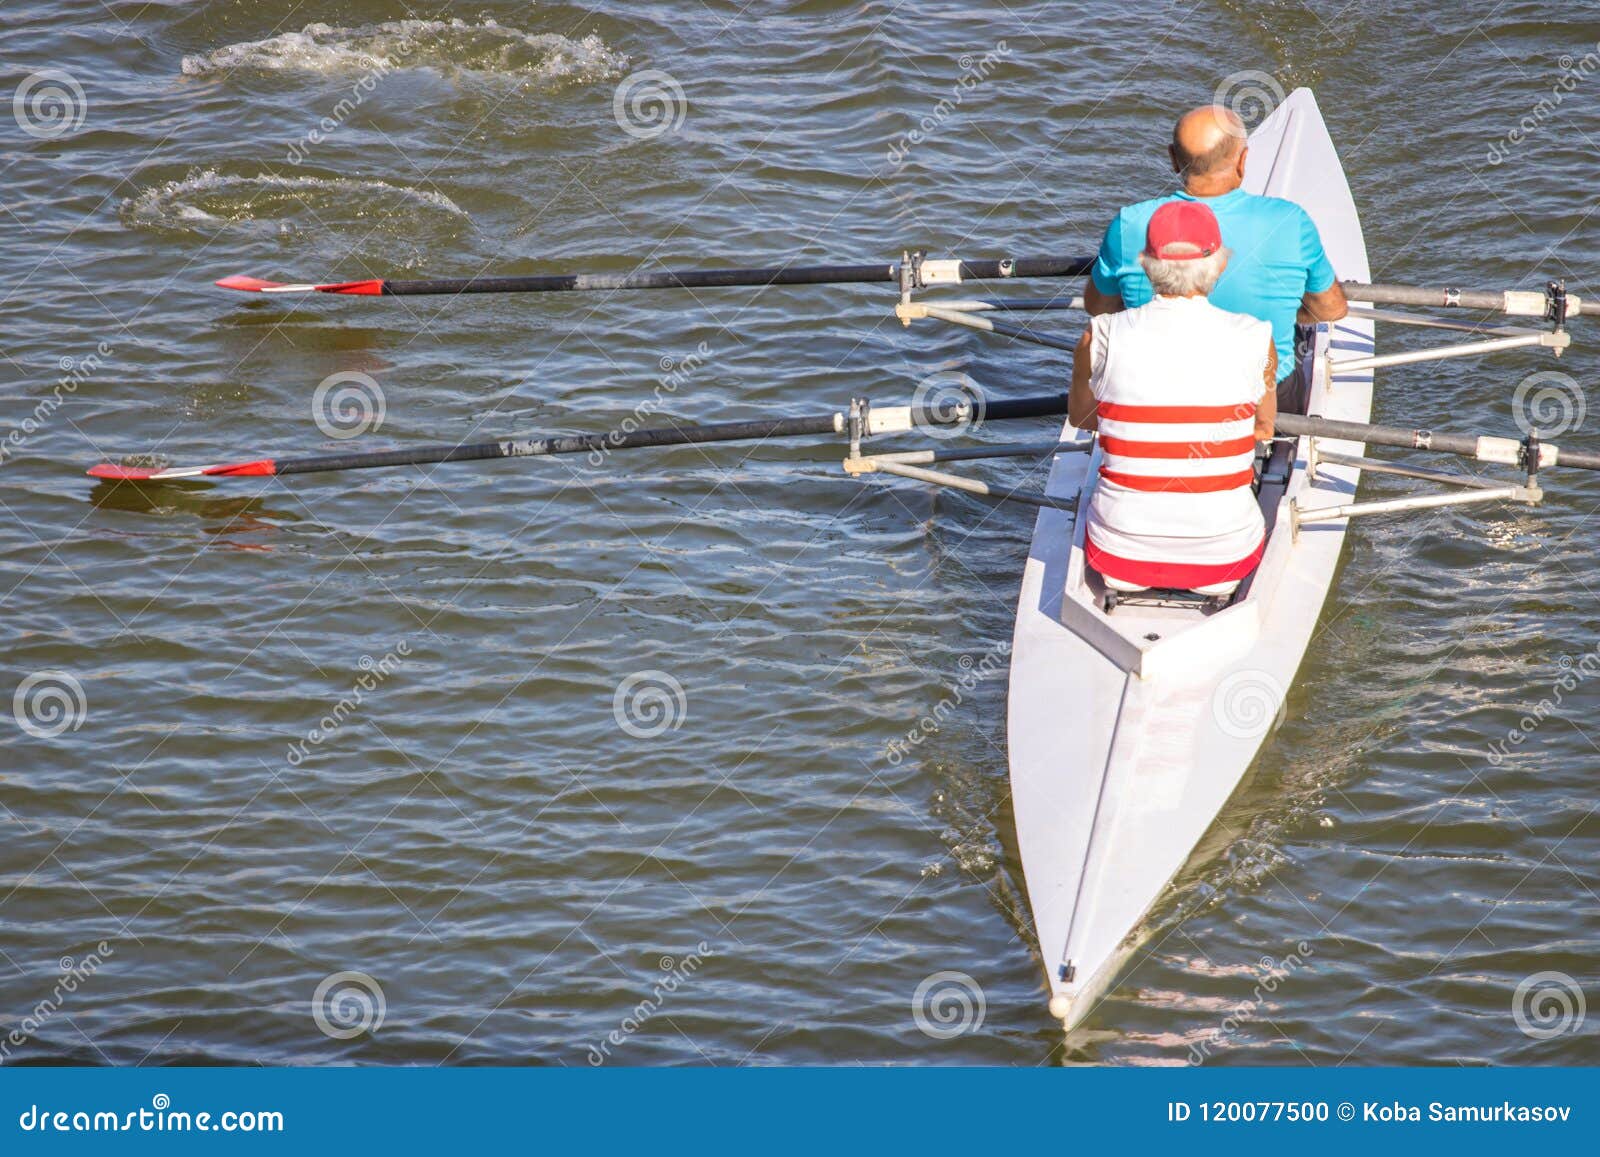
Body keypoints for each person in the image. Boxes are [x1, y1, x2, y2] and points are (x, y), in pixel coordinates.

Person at [1069, 201, 1277, 597]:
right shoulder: (1257, 337)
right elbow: (1263, 428)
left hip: (1116, 560)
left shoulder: (1099, 335)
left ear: (1147, 263)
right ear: (1218, 263)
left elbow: (1081, 419)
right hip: (1226, 560)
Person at [1084, 104, 1347, 413]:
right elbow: (1331, 309)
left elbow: (1099, 307)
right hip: (1262, 398)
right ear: (1243, 160)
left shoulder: (1128, 223)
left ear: (1172, 158)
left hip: (1152, 392)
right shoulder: (1291, 221)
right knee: (1301, 336)